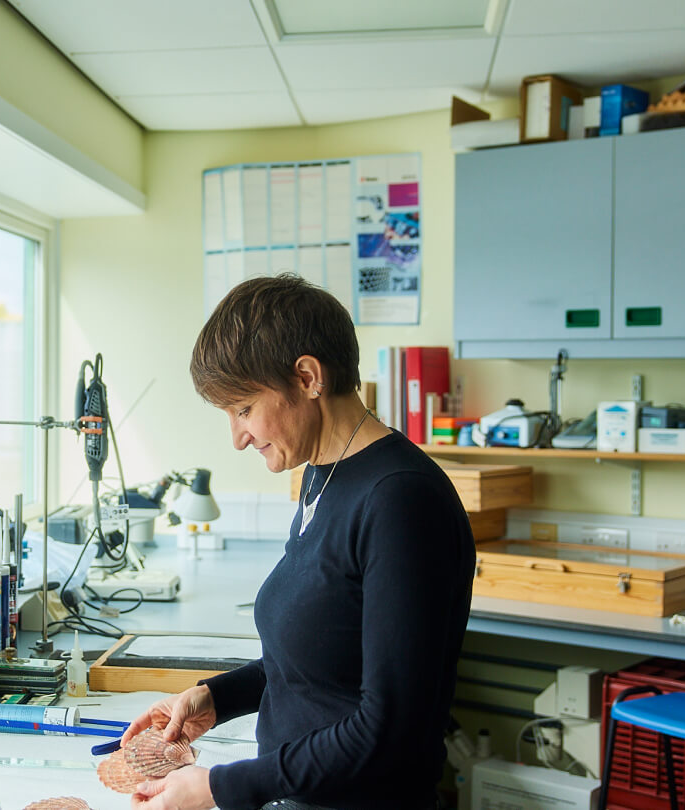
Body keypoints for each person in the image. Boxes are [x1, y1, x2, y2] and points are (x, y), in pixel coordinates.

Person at [124, 274, 475, 810]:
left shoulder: (401, 501)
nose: (237, 437)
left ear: (308, 377)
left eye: (243, 409)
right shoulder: (323, 472)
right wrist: (216, 697)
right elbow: (319, 664)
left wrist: (223, 787)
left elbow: (387, 731)